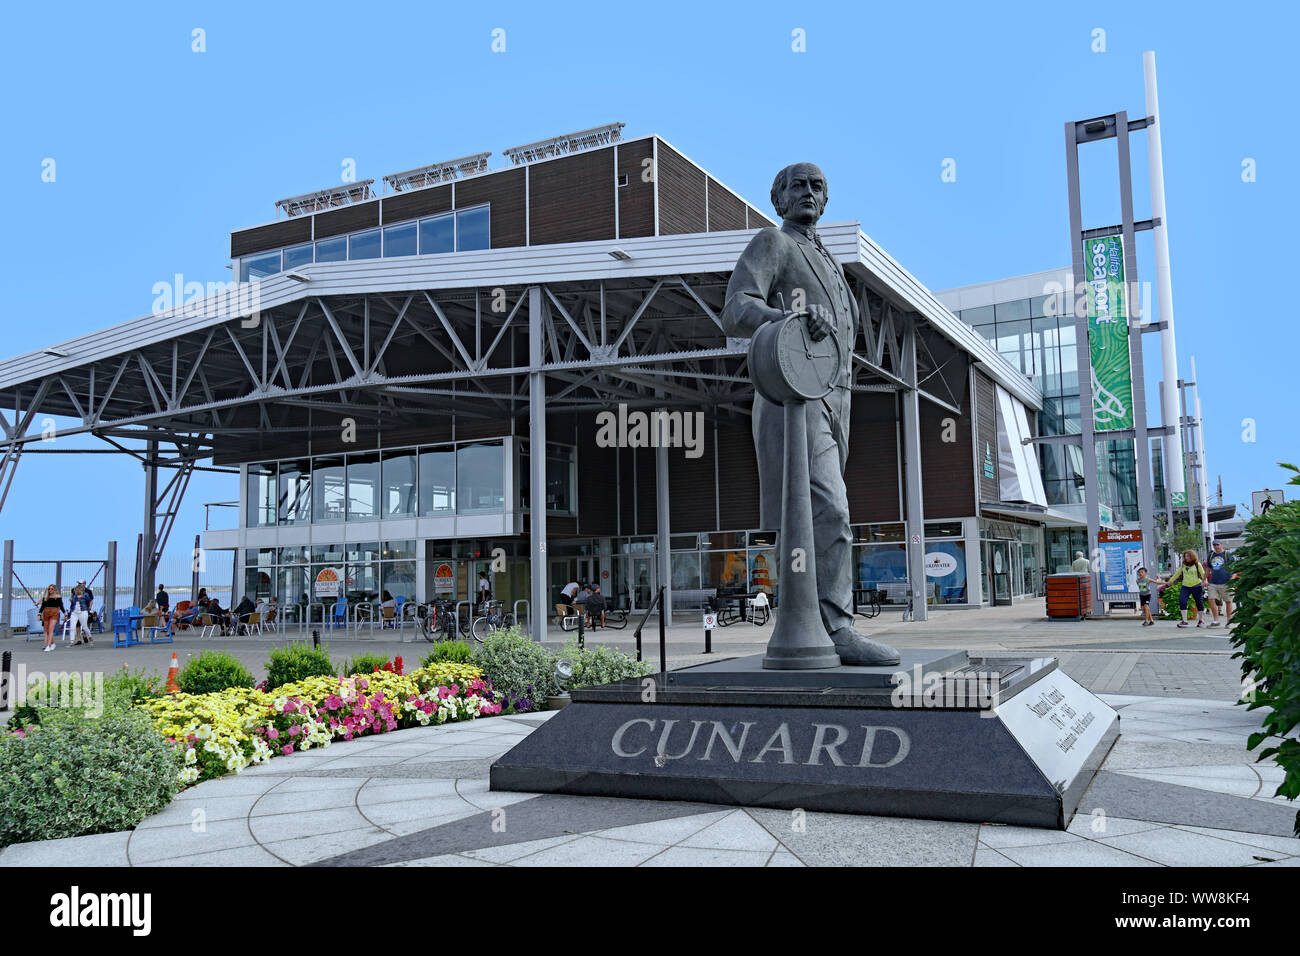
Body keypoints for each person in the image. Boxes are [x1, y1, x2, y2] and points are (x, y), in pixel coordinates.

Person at [720, 162, 898, 666]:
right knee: (829, 510)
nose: (808, 192)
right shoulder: (773, 243)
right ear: (778, 198)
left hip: (836, 402)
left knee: (818, 517)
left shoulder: (832, 262)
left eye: (816, 186)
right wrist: (788, 318)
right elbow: (735, 310)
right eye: (796, 185)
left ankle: (811, 624)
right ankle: (837, 627)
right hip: (791, 399)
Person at [1164, 550, 1208, 628]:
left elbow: (1203, 574)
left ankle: (1201, 620)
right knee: (1182, 601)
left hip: (1196, 585)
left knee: (1199, 602)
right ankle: (1184, 621)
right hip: (1185, 586)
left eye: (1188, 556)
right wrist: (1171, 581)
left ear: (1192, 557)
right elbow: (1178, 573)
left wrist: (1205, 582)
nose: (1186, 558)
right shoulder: (1184, 565)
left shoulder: (1197, 564)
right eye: (1185, 556)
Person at [1205, 541, 1236, 628]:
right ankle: (1216, 620)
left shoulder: (1227, 555)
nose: (1216, 547)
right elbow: (1208, 568)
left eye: (1217, 545)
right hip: (1213, 582)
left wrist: (1232, 579)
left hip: (1226, 582)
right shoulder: (1211, 555)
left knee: (1228, 601)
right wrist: (1204, 580)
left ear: (1221, 545)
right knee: (1211, 599)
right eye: (1214, 545)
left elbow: (1235, 567)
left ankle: (1229, 620)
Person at [68, 581, 95, 645]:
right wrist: (71, 602)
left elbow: (90, 601)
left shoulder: (85, 594)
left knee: (84, 626)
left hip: (83, 611)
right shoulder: (74, 596)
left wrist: (89, 608)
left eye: (77, 590)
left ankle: (90, 637)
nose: (76, 592)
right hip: (74, 612)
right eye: (75, 590)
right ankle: (71, 641)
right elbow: (73, 603)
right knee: (72, 626)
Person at [39, 585, 64, 653]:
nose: (50, 590)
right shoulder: (46, 597)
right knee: (46, 630)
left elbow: (61, 606)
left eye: (52, 589)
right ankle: (52, 643)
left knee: (51, 629)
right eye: (49, 589)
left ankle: (48, 645)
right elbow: (43, 606)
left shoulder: (58, 597)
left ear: (54, 590)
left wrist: (65, 613)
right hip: (46, 612)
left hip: (54, 612)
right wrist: (39, 614)